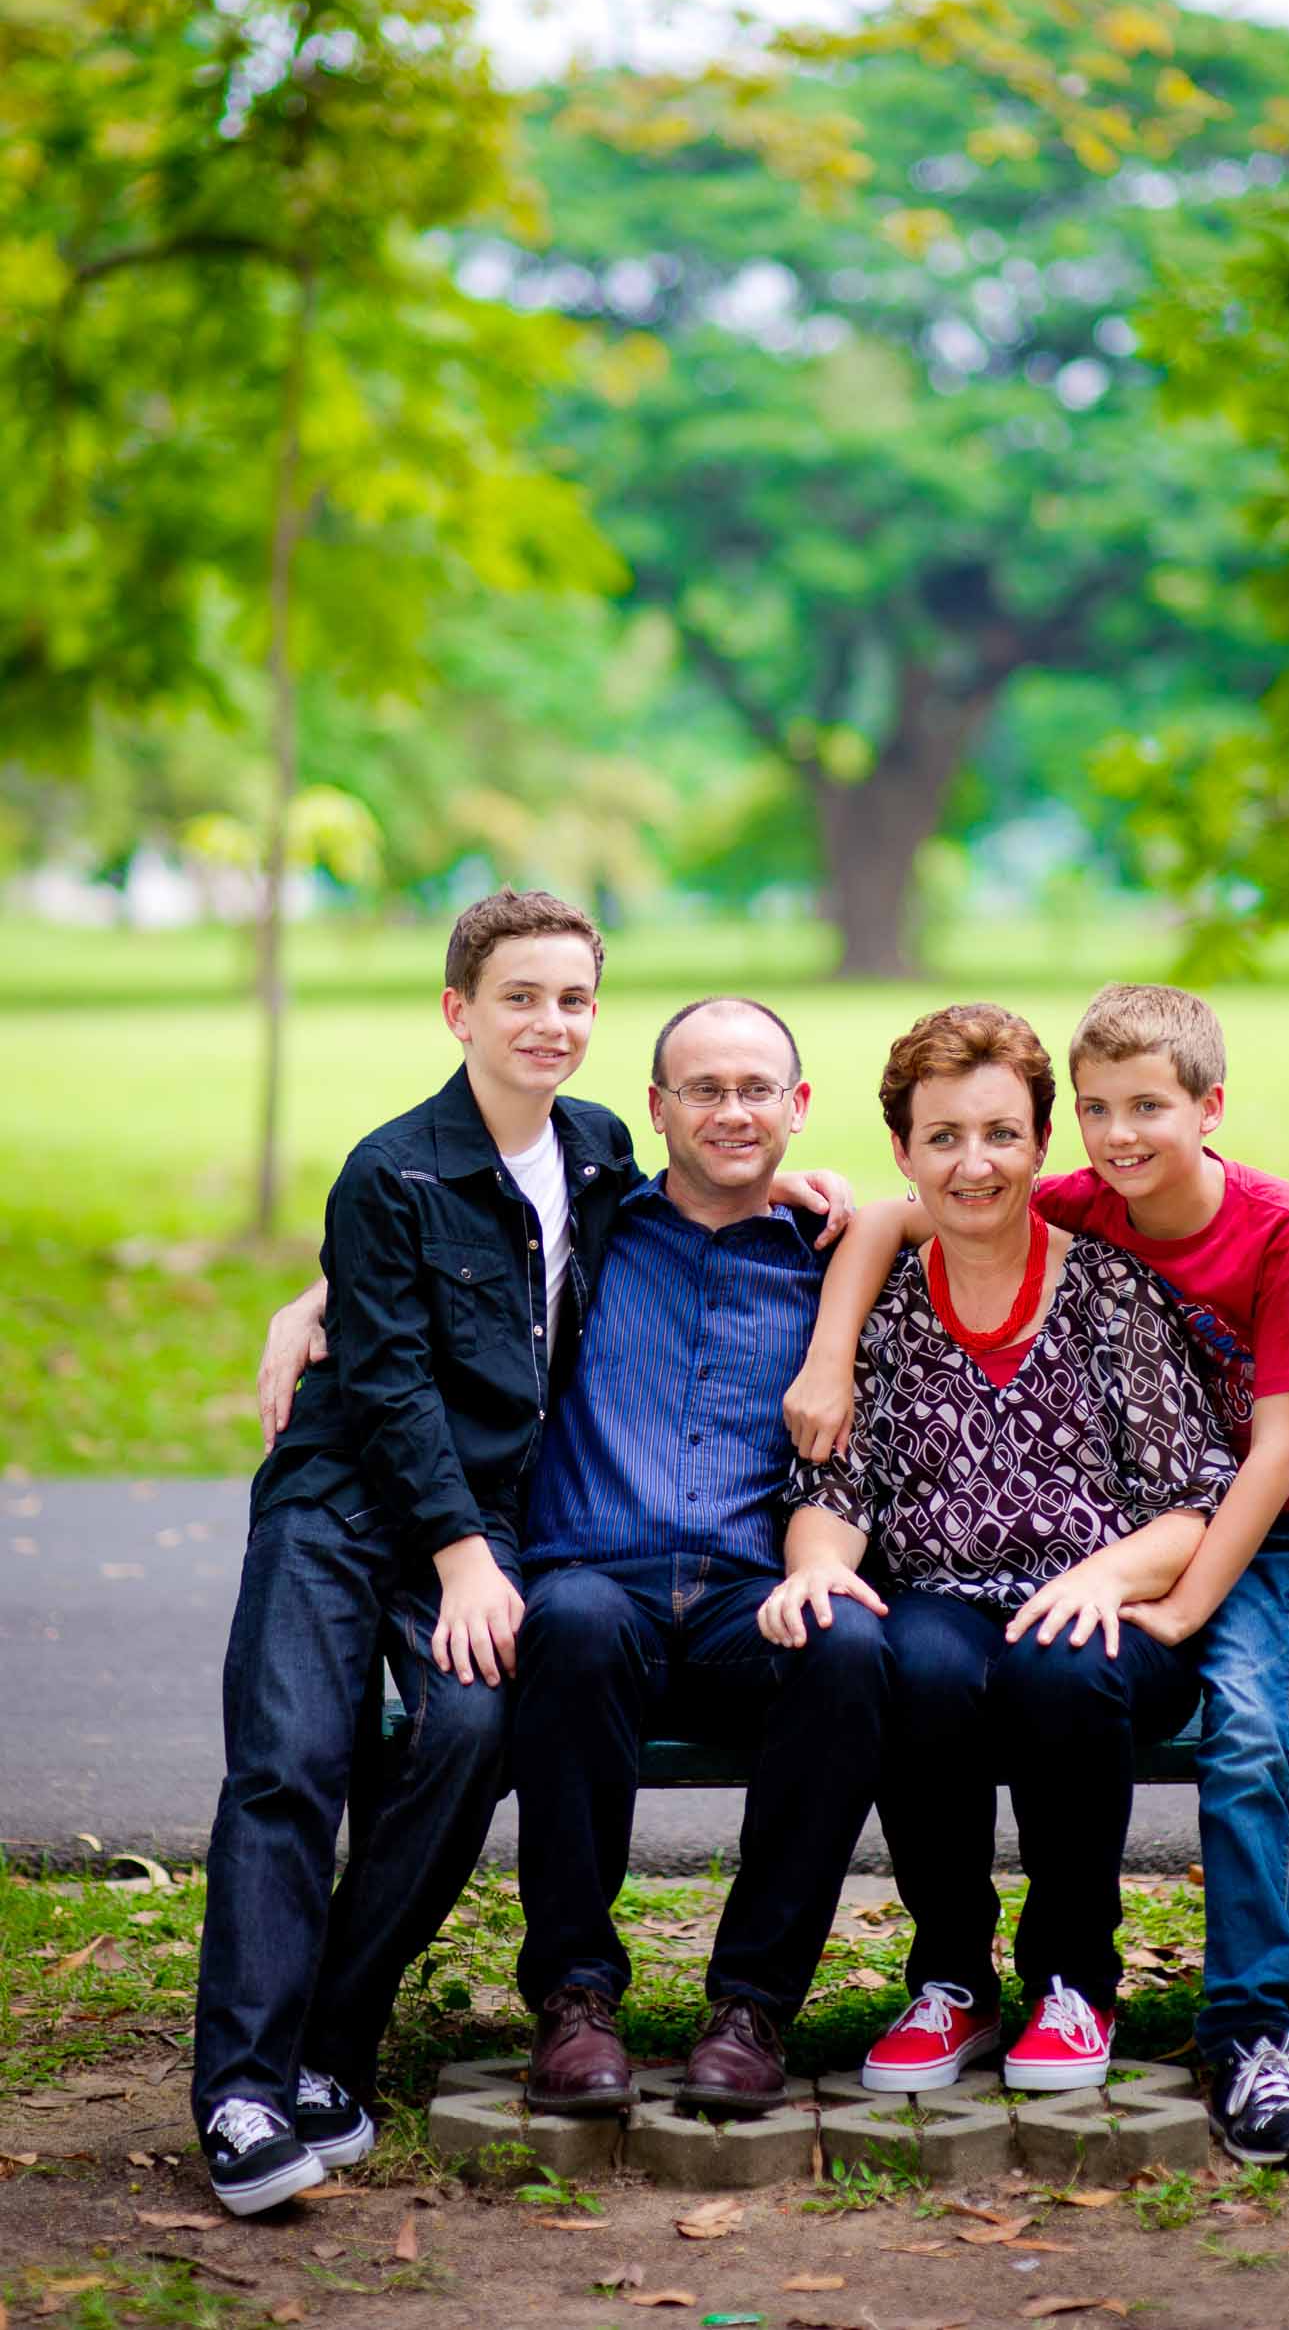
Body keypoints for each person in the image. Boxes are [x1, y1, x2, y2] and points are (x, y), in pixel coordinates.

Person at [788, 982, 1289, 2168]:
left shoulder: (1283, 1228)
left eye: (1147, 1108)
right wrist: (829, 1350)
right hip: (1223, 1517)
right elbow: (900, 1218)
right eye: (1100, 1109)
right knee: (1249, 1737)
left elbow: (1273, 1451)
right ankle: (1249, 2032)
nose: (1120, 1136)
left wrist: (1178, 1602)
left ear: (1209, 1108)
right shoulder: (1070, 1196)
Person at [195, 888, 627, 2215]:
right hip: (344, 1505)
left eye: (572, 999)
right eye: (520, 997)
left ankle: (333, 2045)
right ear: (459, 1012)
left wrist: (810, 1183)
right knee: (289, 1765)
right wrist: (456, 1556)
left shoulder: (602, 1151)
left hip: (482, 1519)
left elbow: (702, 1204)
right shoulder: (391, 1168)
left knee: (469, 1731)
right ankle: (242, 2091)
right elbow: (382, 1384)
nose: (548, 1022)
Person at [763, 1004, 1236, 2095]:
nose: (971, 1164)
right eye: (941, 1137)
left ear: (1038, 1142)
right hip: (943, 1596)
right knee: (915, 1660)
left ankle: (1074, 1980)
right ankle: (953, 1983)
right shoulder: (880, 1310)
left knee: (1057, 1661)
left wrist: (1096, 1578)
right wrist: (818, 1563)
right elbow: (834, 1482)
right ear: (902, 1152)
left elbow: (1187, 1503)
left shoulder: (1111, 1293)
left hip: (1111, 1610)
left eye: (999, 1134)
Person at [510, 996, 890, 2120]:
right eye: (705, 1090)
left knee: (851, 1643)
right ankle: (574, 1996)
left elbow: (963, 1212)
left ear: (798, 1106)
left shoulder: (839, 1259)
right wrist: (309, 1296)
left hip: (746, 1598)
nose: (731, 1112)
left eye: (756, 1090)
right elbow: (423, 1252)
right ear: (657, 1108)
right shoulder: (587, 1227)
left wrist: (860, 1216)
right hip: (595, 1583)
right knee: (569, 1624)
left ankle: (752, 2006)